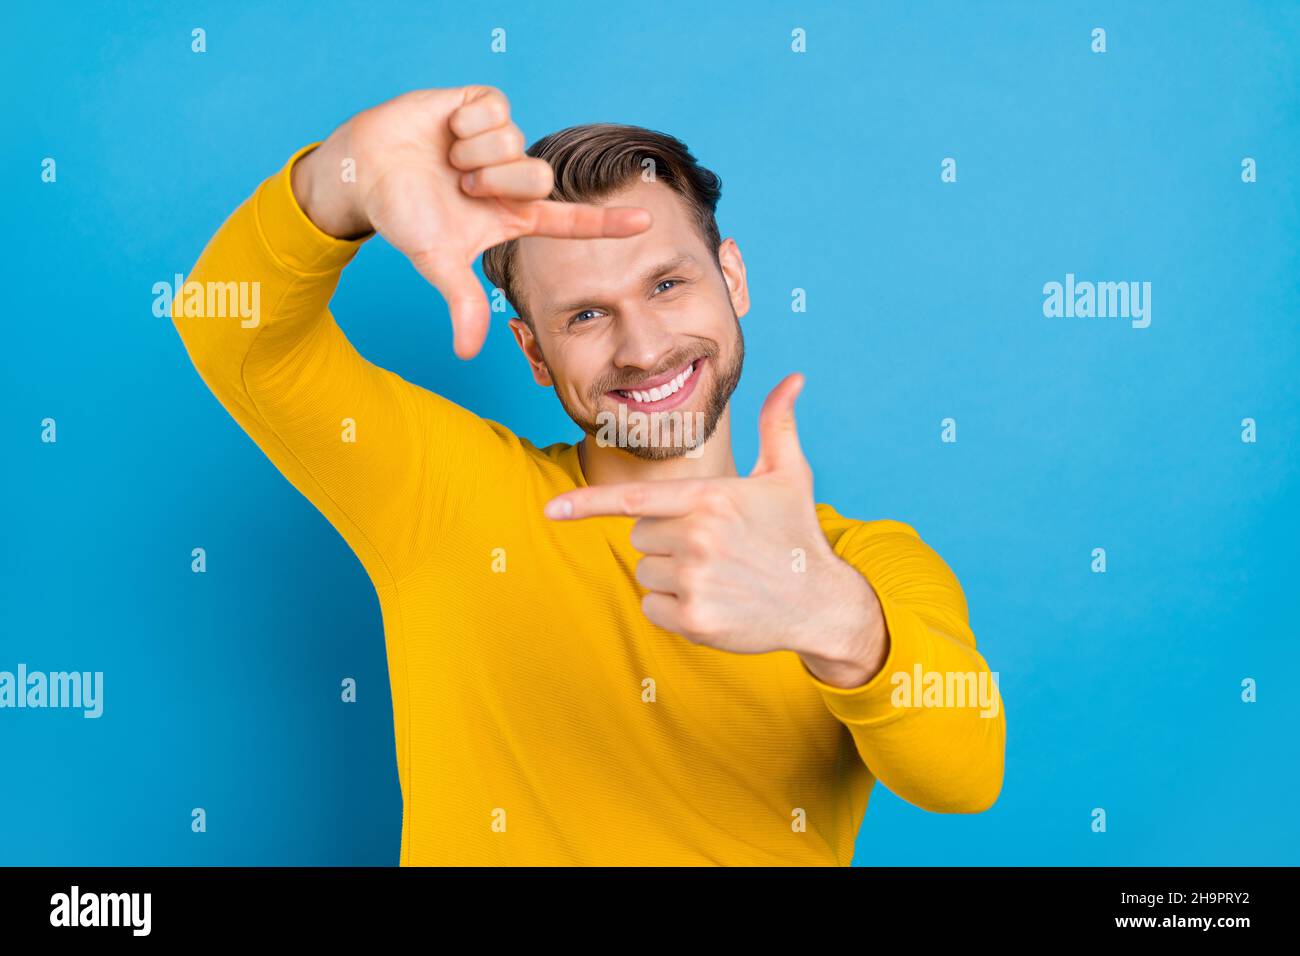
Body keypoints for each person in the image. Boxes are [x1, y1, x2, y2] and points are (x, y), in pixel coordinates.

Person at [171, 84, 1005, 866]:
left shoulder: (862, 567)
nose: (643, 348)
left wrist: (837, 622)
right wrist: (343, 175)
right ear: (533, 353)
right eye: (586, 315)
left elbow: (965, 776)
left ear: (733, 279)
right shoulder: (447, 495)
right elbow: (232, 334)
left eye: (667, 284)